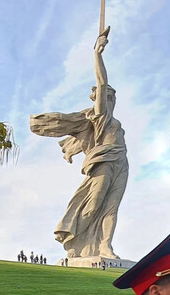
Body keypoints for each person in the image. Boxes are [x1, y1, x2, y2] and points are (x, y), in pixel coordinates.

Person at [30, 27, 129, 260]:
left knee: (112, 207)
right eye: (106, 97)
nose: (110, 99)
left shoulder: (117, 123)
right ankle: (73, 239)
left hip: (121, 162)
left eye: (112, 97)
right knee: (94, 204)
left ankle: (105, 246)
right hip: (103, 161)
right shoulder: (101, 117)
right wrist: (98, 54)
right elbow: (102, 83)